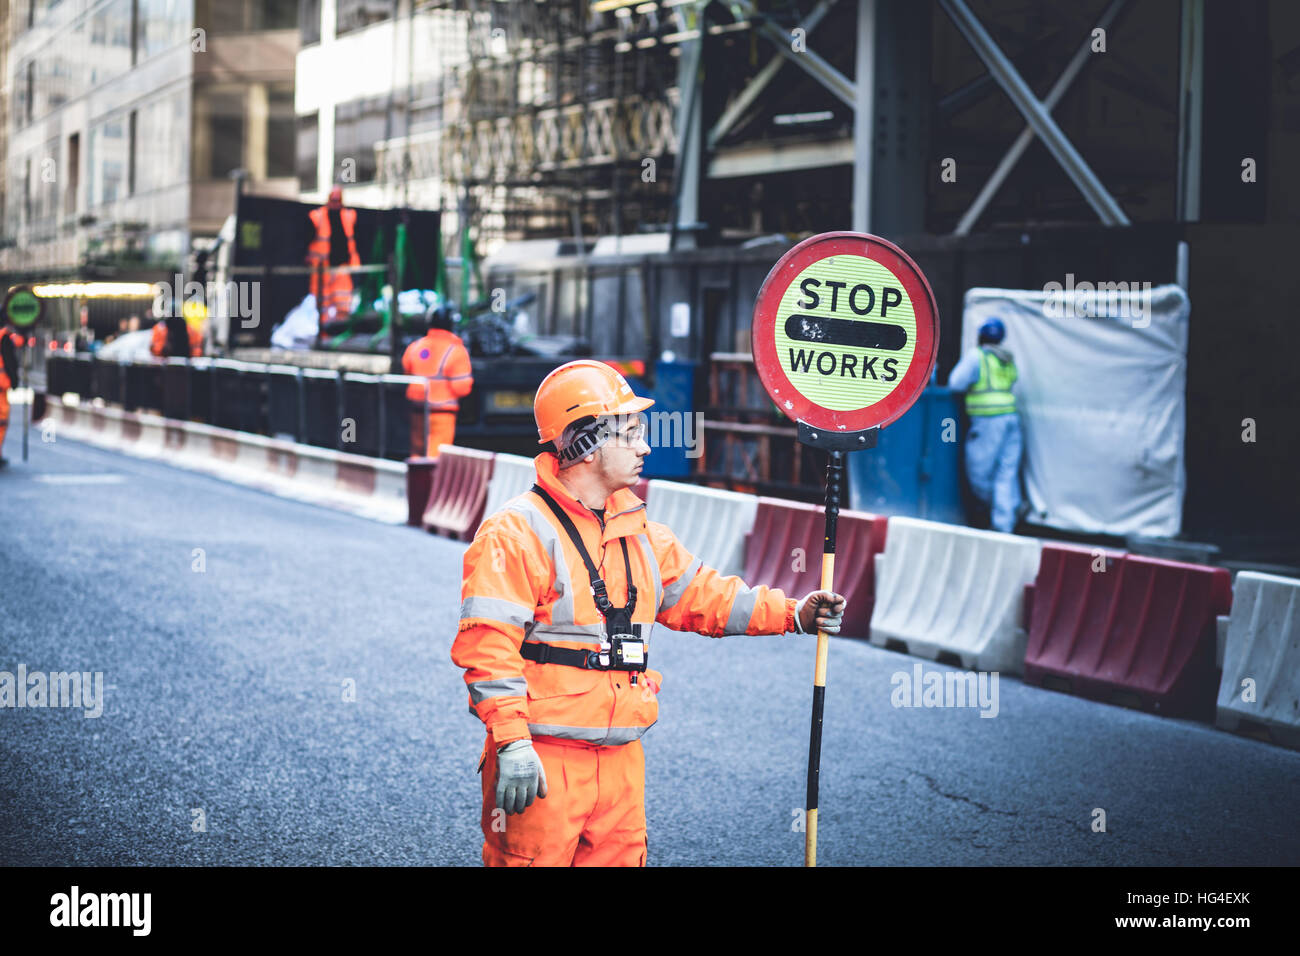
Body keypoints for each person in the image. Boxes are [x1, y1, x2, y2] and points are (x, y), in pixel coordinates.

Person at [450, 359, 847, 866]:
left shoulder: (642, 535)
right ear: (586, 442)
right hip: (545, 757)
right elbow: (487, 645)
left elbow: (708, 597)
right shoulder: (516, 533)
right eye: (631, 433)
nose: (645, 447)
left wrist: (794, 614)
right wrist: (511, 742)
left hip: (621, 761)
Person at [947, 317, 1023, 533]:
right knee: (1006, 473)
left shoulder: (977, 356)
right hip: (1011, 418)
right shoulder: (1007, 358)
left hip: (989, 422)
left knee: (979, 473)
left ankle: (991, 516)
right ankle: (1004, 524)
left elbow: (955, 383)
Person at [400, 304, 472, 457]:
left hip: (417, 409)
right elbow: (462, 388)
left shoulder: (415, 347)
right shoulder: (456, 351)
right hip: (442, 413)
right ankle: (430, 481)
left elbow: (407, 371)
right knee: (436, 455)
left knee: (417, 452)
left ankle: (415, 480)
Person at [307, 185, 360, 323]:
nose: (336, 203)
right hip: (323, 268)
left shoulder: (349, 216)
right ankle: (322, 331)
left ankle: (340, 329)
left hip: (342, 266)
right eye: (333, 199)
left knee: (343, 302)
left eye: (338, 200)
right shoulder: (317, 216)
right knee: (322, 303)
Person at [0, 319, 20, 468]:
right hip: (0, 387)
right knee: (1, 422)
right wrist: (14, 380)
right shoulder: (4, 337)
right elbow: (10, 361)